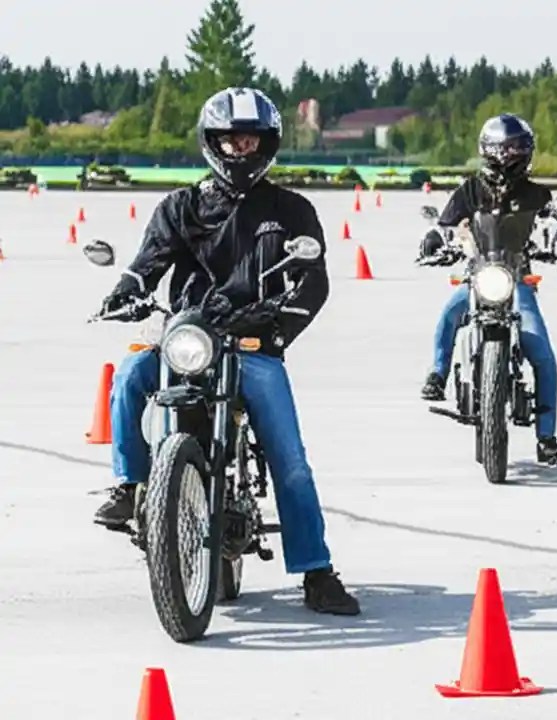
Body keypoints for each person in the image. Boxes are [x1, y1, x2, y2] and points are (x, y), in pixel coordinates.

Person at [90, 87, 360, 616]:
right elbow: (147, 262)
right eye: (231, 140)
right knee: (130, 375)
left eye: (250, 139)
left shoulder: (291, 210)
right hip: (188, 337)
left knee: (292, 462)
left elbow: (313, 282)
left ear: (267, 144)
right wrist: (125, 290)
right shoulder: (181, 207)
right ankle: (129, 485)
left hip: (252, 344)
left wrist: (279, 323)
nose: (241, 149)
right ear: (212, 143)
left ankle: (316, 571)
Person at [417, 113, 557, 468]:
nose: (509, 155)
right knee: (450, 313)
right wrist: (433, 241)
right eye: (503, 148)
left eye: (517, 147)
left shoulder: (536, 194)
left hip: (517, 279)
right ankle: (437, 373)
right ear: (487, 150)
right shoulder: (470, 190)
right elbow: (445, 224)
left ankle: (547, 439)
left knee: (542, 352)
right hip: (478, 274)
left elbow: (551, 221)